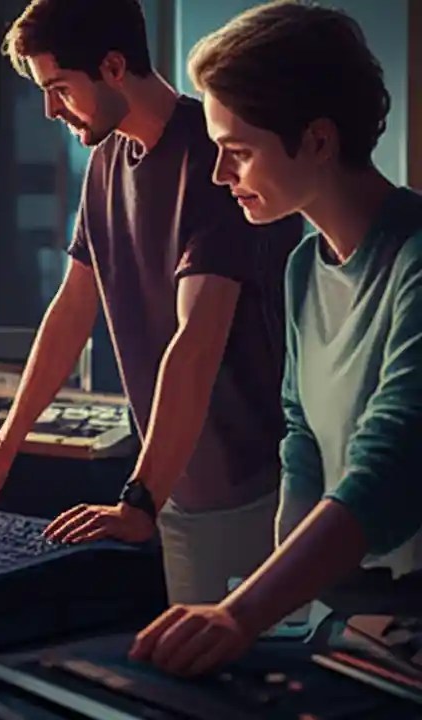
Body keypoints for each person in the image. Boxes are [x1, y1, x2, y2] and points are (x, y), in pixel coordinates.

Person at [0, 0, 304, 606]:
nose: (51, 108)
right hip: (174, 489)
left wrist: (139, 499)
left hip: (251, 491)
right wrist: (6, 444)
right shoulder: (105, 162)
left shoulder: (214, 161)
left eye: (59, 87)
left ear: (112, 67)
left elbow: (195, 342)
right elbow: (72, 308)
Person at [132, 0, 422, 676]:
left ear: (318, 141)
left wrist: (244, 613)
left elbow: (392, 466)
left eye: (238, 152)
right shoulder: (302, 268)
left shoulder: (414, 259)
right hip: (345, 613)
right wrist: (287, 602)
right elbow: (303, 436)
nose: (219, 175)